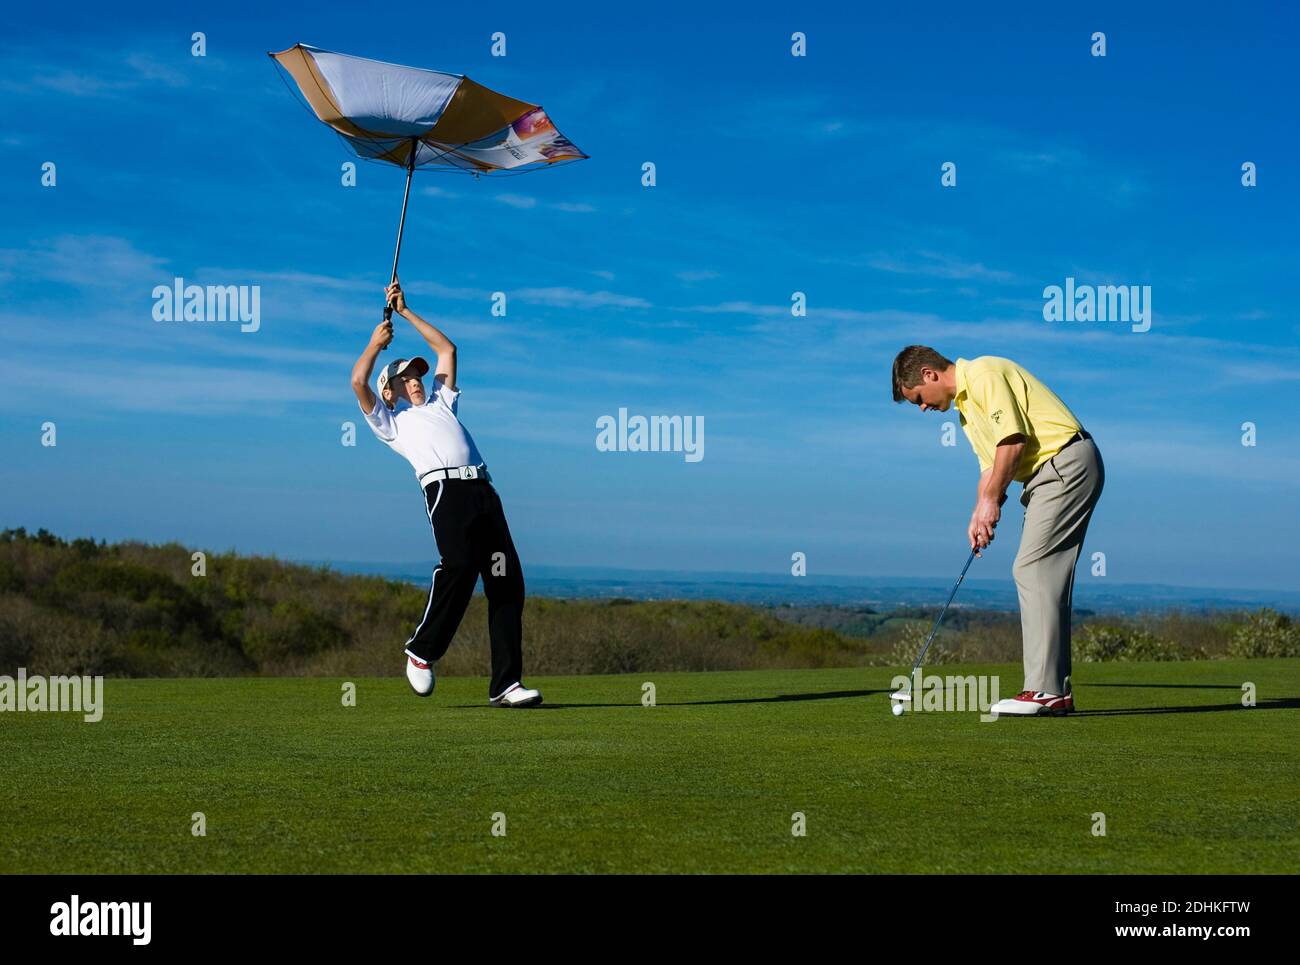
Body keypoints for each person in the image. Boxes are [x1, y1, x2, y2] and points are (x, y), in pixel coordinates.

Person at [350, 280, 541, 707]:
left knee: (506, 582)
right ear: (391, 391)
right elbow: (358, 382)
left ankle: (506, 685)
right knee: (458, 567)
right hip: (445, 494)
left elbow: (448, 350)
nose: (415, 380)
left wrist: (405, 312)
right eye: (404, 378)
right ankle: (421, 652)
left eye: (417, 375)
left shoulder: (441, 404)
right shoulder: (392, 423)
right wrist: (374, 343)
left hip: (483, 492)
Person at [892, 346, 1104, 716]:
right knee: (1042, 573)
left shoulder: (984, 374)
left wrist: (993, 501)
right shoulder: (965, 412)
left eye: (918, 400)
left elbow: (1013, 442)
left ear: (929, 375)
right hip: (1046, 477)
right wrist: (980, 512)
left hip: (1065, 463)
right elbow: (991, 468)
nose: (923, 408)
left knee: (1033, 568)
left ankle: (1045, 690)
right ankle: (1055, 692)